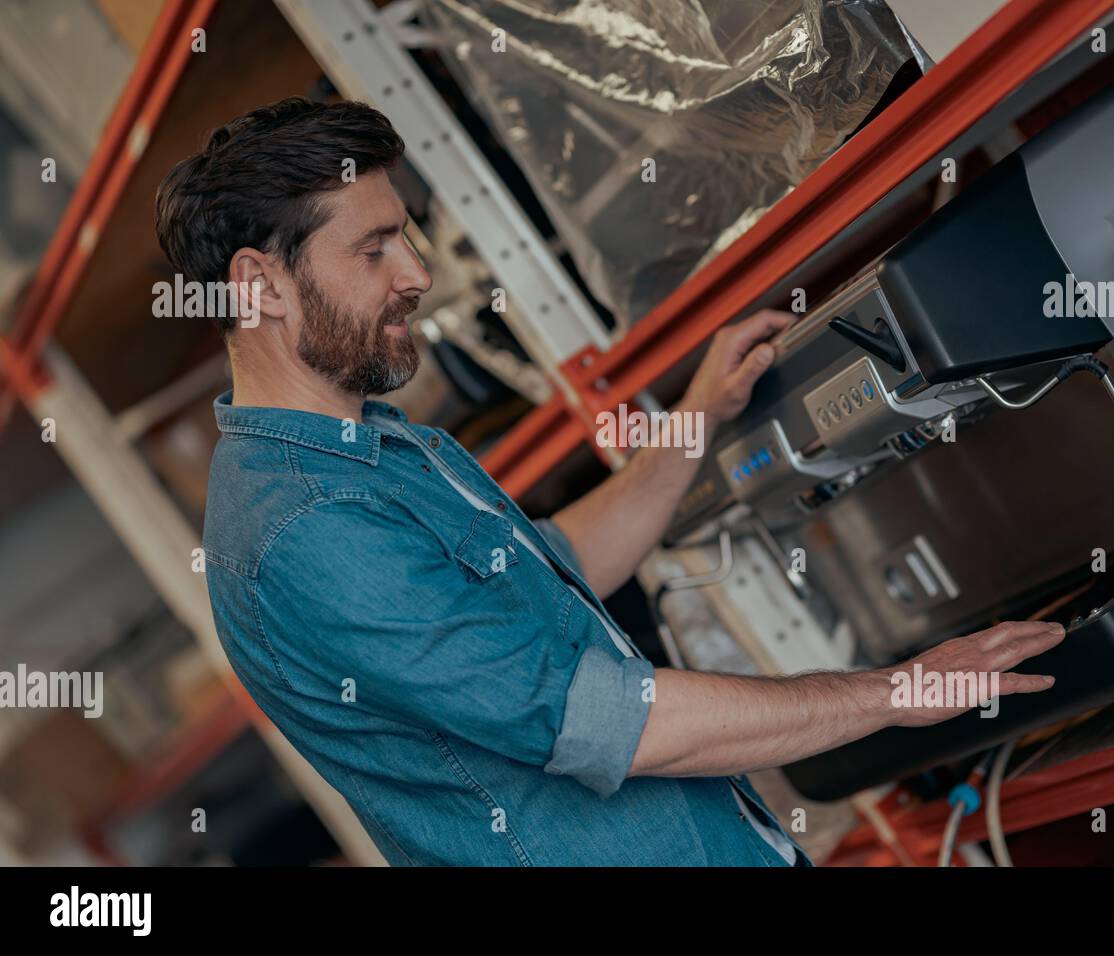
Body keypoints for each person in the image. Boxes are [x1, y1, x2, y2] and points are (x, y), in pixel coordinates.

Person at [156, 97, 1063, 866]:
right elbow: (606, 722)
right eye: (375, 250)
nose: (419, 276)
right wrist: (894, 694)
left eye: (409, 239)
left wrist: (693, 418)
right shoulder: (308, 529)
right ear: (259, 286)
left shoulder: (372, 447)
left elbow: (555, 566)